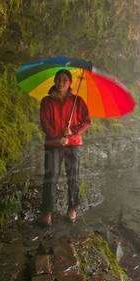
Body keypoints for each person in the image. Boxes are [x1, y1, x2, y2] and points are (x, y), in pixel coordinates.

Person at [38, 69, 91, 226]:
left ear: (70, 83)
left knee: (73, 177)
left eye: (65, 81)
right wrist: (56, 137)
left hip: (73, 144)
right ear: (54, 81)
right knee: (51, 176)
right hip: (53, 144)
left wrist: (72, 131)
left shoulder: (77, 101)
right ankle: (47, 211)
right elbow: (45, 122)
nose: (61, 83)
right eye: (59, 80)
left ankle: (72, 208)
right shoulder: (46, 101)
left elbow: (87, 121)